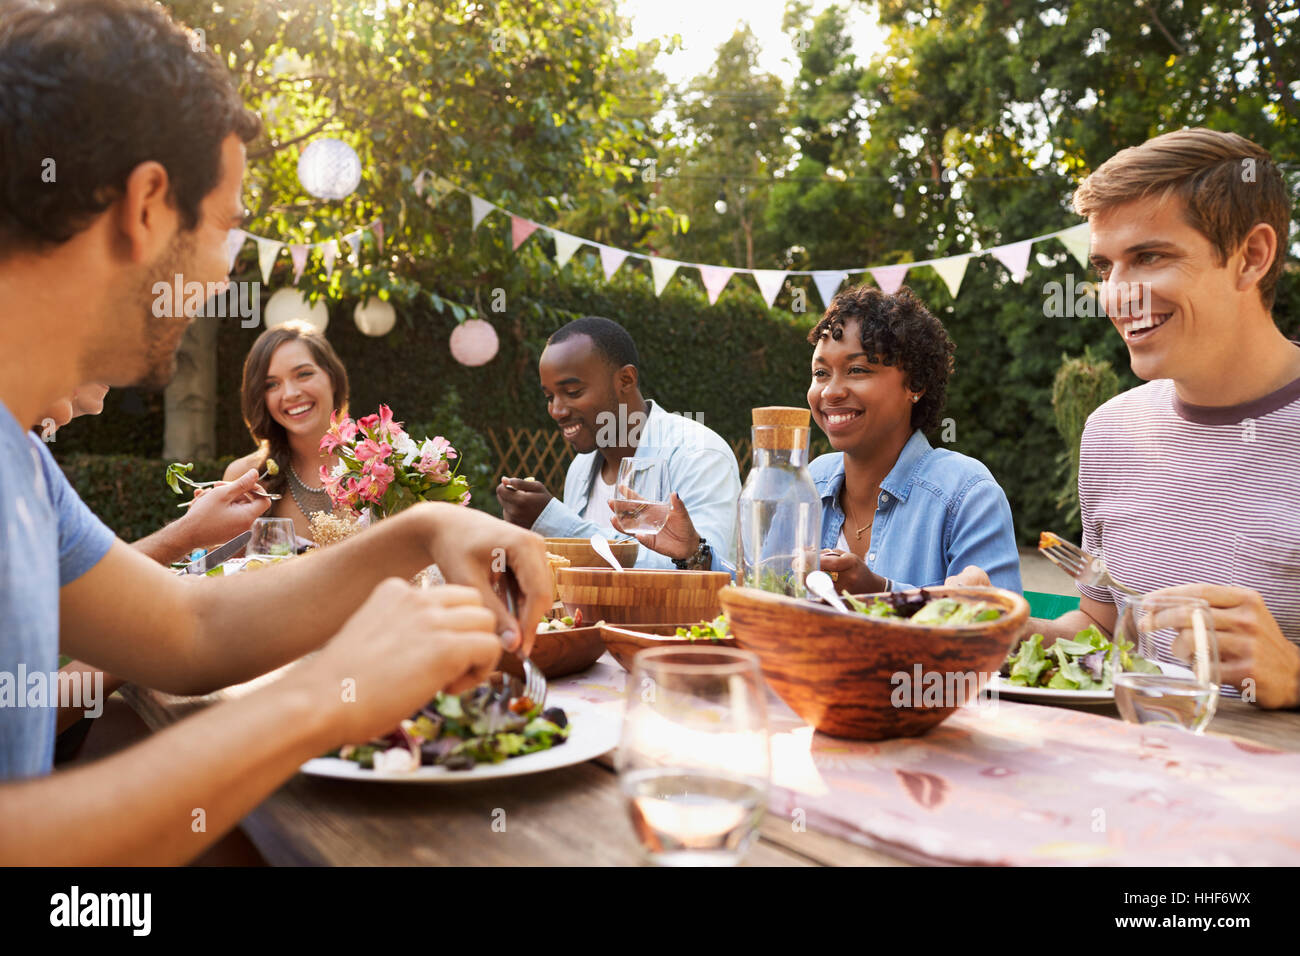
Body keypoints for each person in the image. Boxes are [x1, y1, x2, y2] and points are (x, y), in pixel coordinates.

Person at [0, 0, 549, 865]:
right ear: (147, 205)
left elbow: (190, 630)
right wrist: (328, 698)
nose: (225, 268)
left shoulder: (22, 465)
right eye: (224, 225)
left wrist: (425, 526)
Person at [1032, 128, 1300, 710]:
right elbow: (1104, 629)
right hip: (1134, 788)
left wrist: (1296, 674)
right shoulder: (1109, 431)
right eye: (1105, 268)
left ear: (1252, 256)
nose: (1118, 296)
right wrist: (990, 627)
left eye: (1150, 257)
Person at [637, 286, 1022, 592]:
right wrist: (694, 553)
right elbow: (767, 592)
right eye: (821, 373)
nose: (830, 392)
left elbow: (999, 628)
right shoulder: (807, 480)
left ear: (916, 385)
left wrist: (880, 592)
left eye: (856, 370)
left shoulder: (965, 494)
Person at [496, 315, 742, 571]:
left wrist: (555, 523)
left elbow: (709, 570)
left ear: (625, 380)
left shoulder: (698, 454)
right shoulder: (581, 468)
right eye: (549, 396)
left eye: (572, 393)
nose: (557, 411)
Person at [223, 322, 347, 541]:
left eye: (303, 374)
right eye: (271, 385)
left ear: (333, 378)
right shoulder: (245, 479)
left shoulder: (382, 467)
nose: (290, 393)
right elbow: (222, 572)